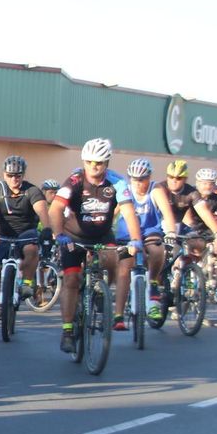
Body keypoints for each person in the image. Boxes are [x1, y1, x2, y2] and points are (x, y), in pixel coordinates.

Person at [49, 138, 141, 352]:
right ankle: (68, 330)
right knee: (71, 279)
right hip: (73, 236)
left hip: (102, 235)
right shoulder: (74, 180)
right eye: (89, 162)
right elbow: (55, 209)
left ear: (107, 163)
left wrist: (136, 240)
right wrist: (58, 234)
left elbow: (128, 212)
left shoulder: (117, 182)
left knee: (113, 258)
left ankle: (100, 290)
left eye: (99, 163)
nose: (94, 167)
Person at [0, 156, 51, 319]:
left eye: (18, 175)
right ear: (4, 174)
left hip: (26, 233)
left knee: (32, 249)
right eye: (10, 175)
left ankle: (26, 283)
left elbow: (42, 211)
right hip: (2, 234)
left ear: (23, 175)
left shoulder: (32, 190)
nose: (14, 179)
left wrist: (47, 229)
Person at [113, 158, 172, 324]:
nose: (138, 183)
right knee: (124, 270)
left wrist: (172, 231)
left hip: (149, 231)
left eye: (142, 179)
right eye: (134, 179)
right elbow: (114, 212)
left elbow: (167, 213)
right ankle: (118, 315)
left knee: (157, 249)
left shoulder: (156, 189)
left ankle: (153, 283)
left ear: (149, 177)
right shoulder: (125, 190)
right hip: (127, 235)